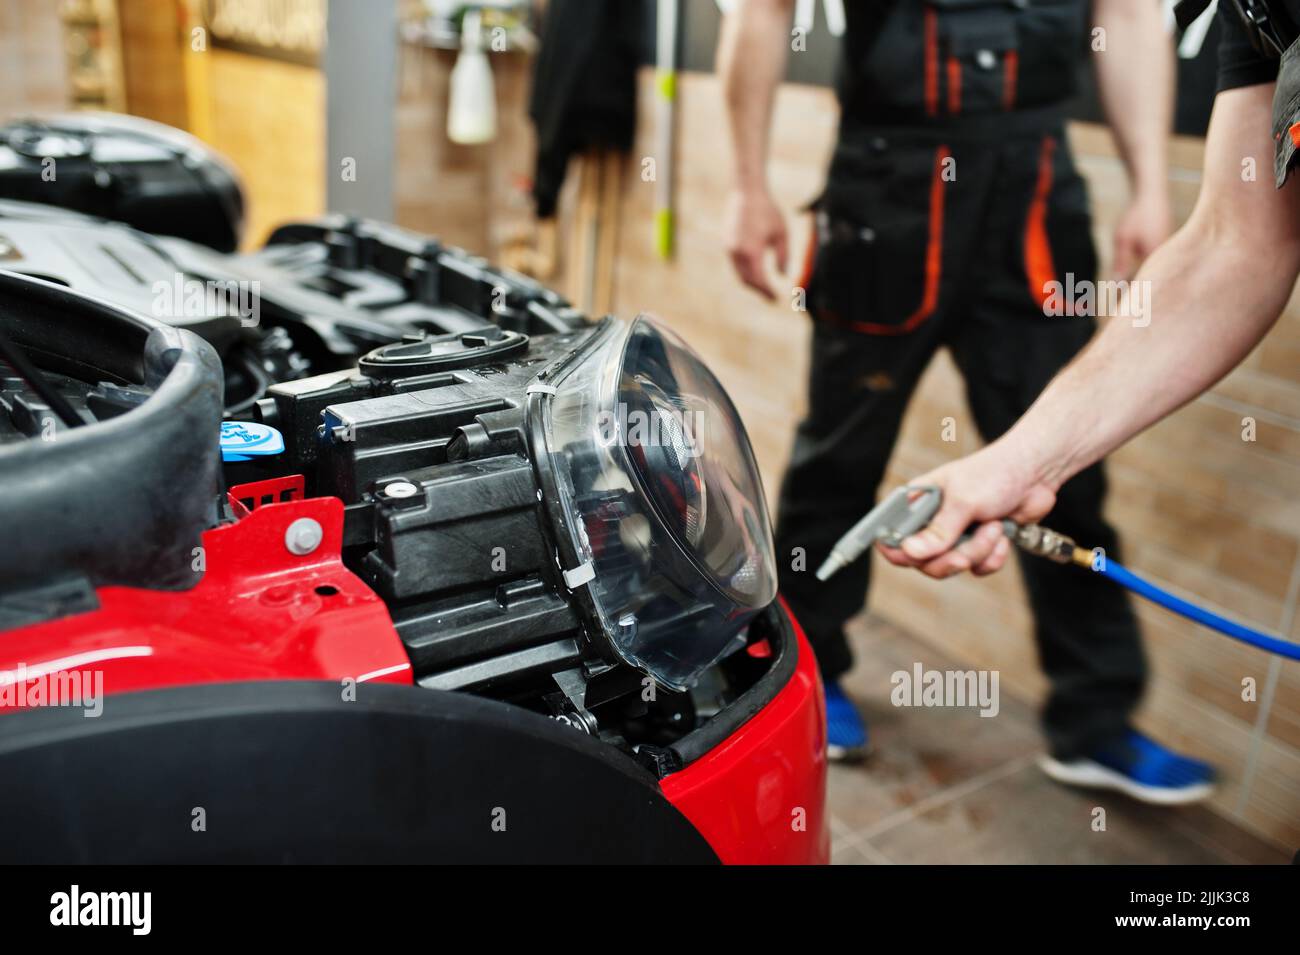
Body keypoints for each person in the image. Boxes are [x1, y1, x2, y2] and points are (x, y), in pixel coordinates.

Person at [720, 0, 1217, 804]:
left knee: (1071, 476)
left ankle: (1094, 721)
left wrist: (1152, 188)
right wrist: (749, 187)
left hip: (1036, 195)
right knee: (839, 459)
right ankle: (804, 677)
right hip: (885, 186)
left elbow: (1127, 17)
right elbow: (764, 11)